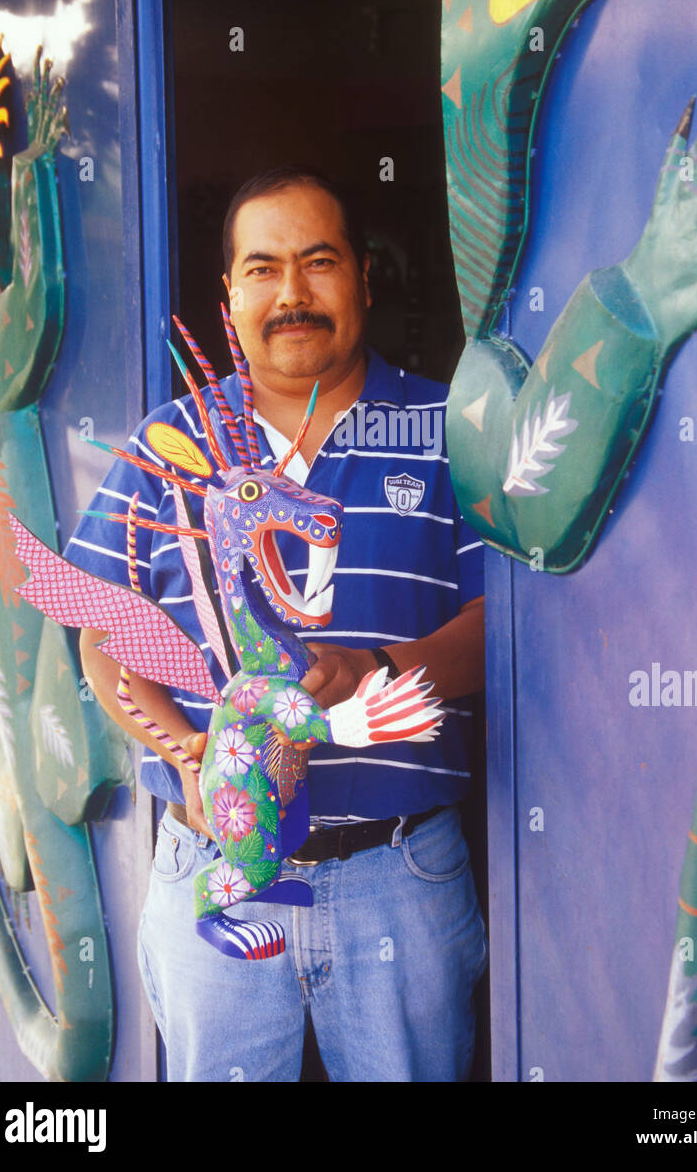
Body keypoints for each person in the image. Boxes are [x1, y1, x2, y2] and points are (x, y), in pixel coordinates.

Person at [66, 167, 487, 1082]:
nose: (291, 292)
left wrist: (372, 668)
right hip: (212, 864)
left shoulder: (452, 429)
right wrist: (191, 755)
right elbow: (105, 632)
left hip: (398, 873)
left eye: (319, 261)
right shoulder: (167, 448)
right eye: (263, 268)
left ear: (365, 279)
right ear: (230, 295)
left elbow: (510, 622)